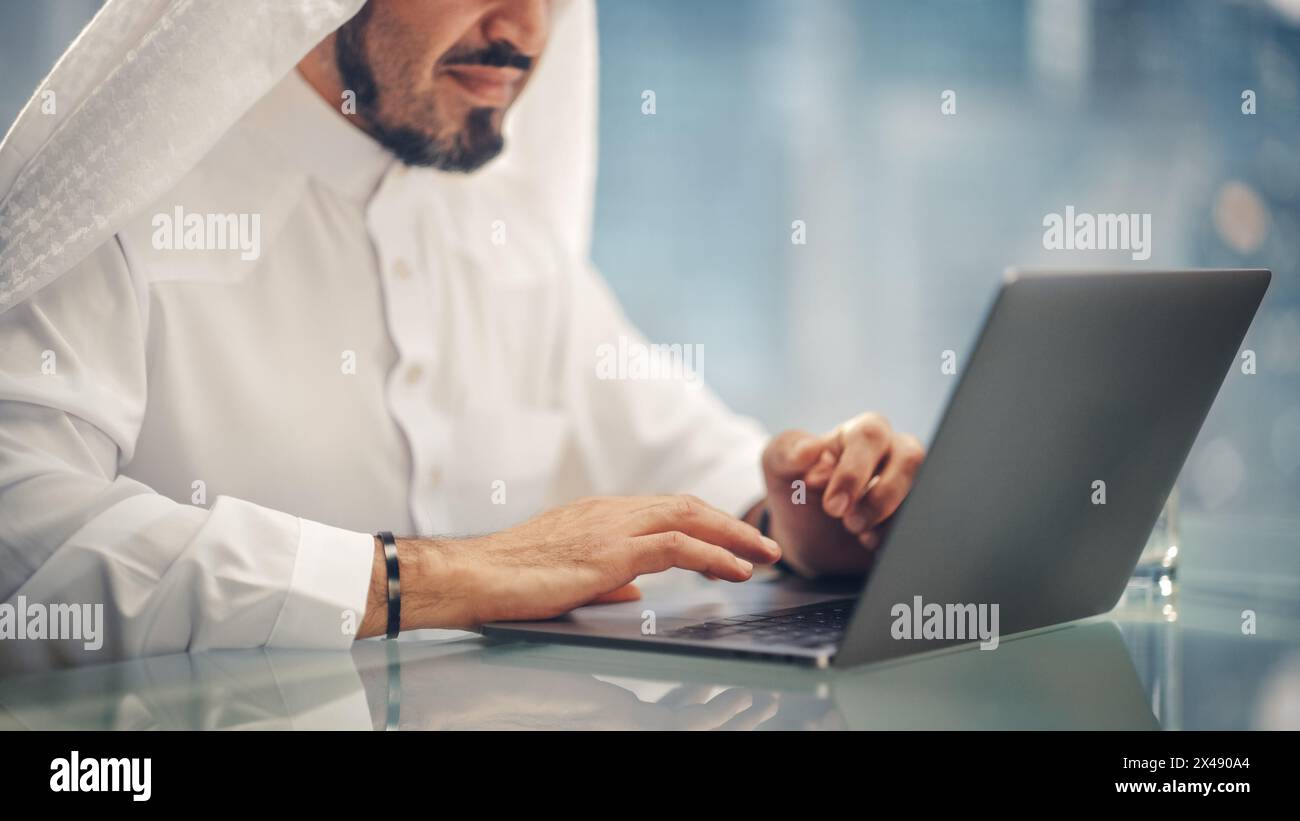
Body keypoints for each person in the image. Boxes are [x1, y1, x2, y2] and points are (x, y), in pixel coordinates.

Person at [0, 0, 924, 665]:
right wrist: (437, 578)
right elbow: (21, 545)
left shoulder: (502, 234)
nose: (525, 29)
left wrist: (809, 519)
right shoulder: (121, 207)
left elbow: (698, 467)